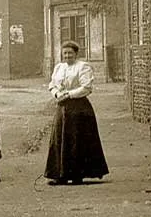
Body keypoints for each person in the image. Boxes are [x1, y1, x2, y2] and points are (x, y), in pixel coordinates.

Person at [45, 41, 109, 184]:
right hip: (62, 107)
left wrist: (69, 94)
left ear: (76, 54)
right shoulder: (59, 67)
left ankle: (76, 175)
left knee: (76, 140)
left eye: (70, 53)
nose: (67, 56)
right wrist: (56, 94)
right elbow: (52, 85)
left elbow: (87, 88)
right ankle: (60, 175)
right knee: (60, 138)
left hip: (79, 108)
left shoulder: (82, 67)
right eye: (65, 53)